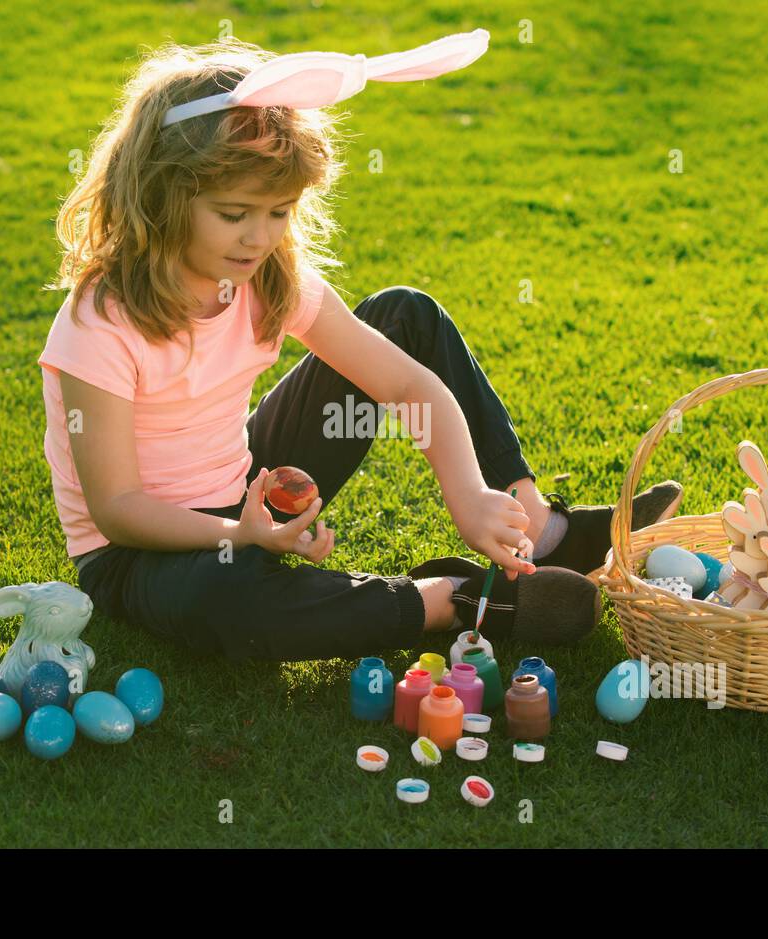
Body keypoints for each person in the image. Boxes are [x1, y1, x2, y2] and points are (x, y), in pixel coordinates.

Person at [38, 35, 681, 663]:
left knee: (405, 314)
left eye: (280, 212)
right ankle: (448, 599)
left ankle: (538, 532)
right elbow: (117, 509)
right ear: (160, 196)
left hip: (245, 487)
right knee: (229, 593)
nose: (258, 237)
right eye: (235, 214)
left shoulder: (267, 281)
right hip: (137, 554)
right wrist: (241, 535)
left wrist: (469, 497)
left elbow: (409, 386)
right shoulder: (101, 321)